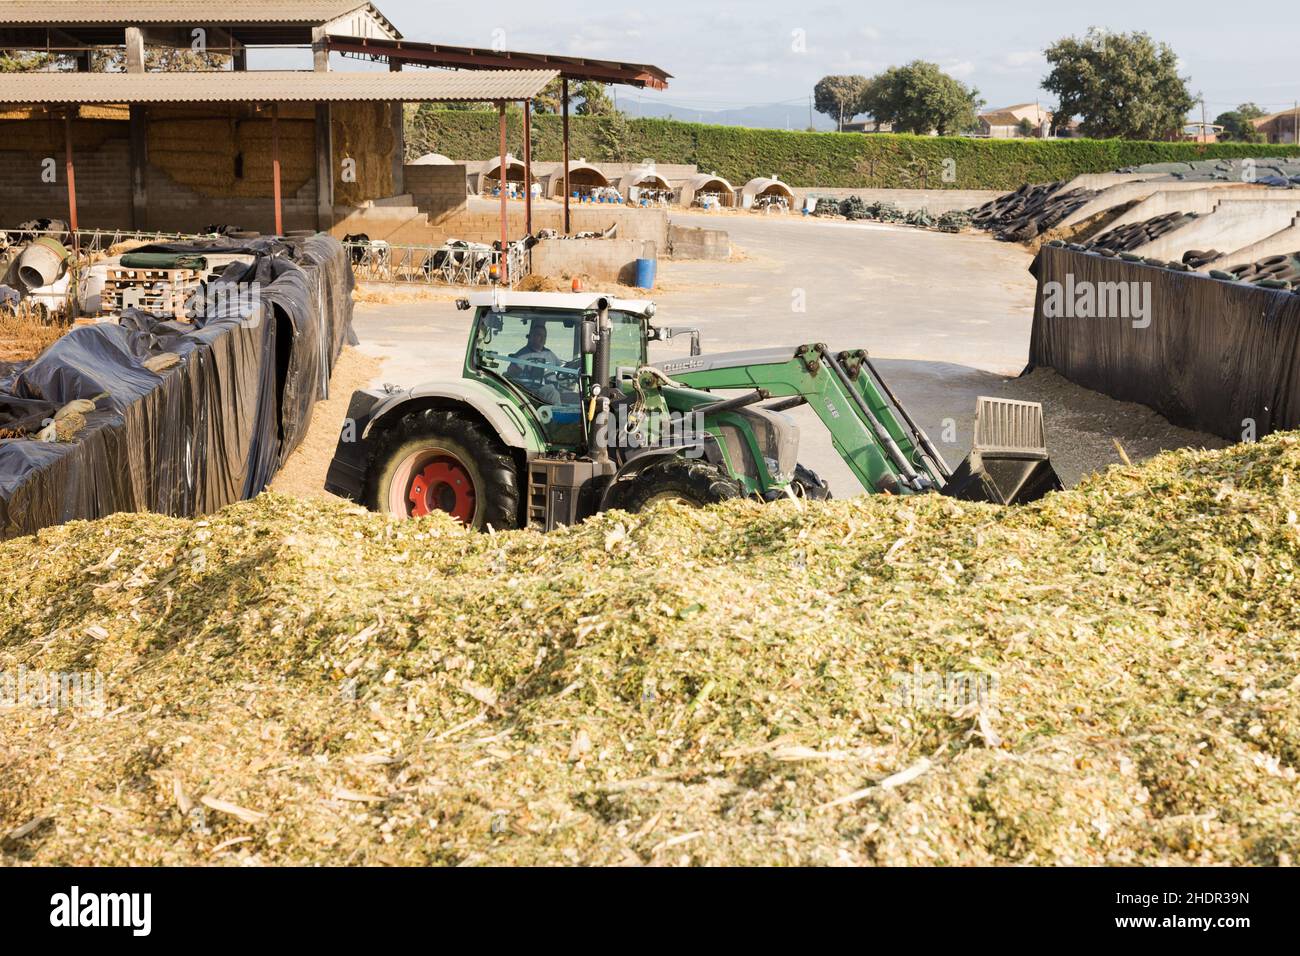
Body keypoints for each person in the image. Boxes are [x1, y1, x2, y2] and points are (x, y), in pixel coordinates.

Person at [506, 322, 564, 404]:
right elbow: (511, 374)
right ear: (531, 337)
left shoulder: (549, 353)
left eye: (544, 336)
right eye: (539, 335)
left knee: (574, 396)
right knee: (553, 394)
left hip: (553, 387)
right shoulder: (523, 354)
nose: (542, 338)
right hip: (535, 391)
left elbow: (561, 368)